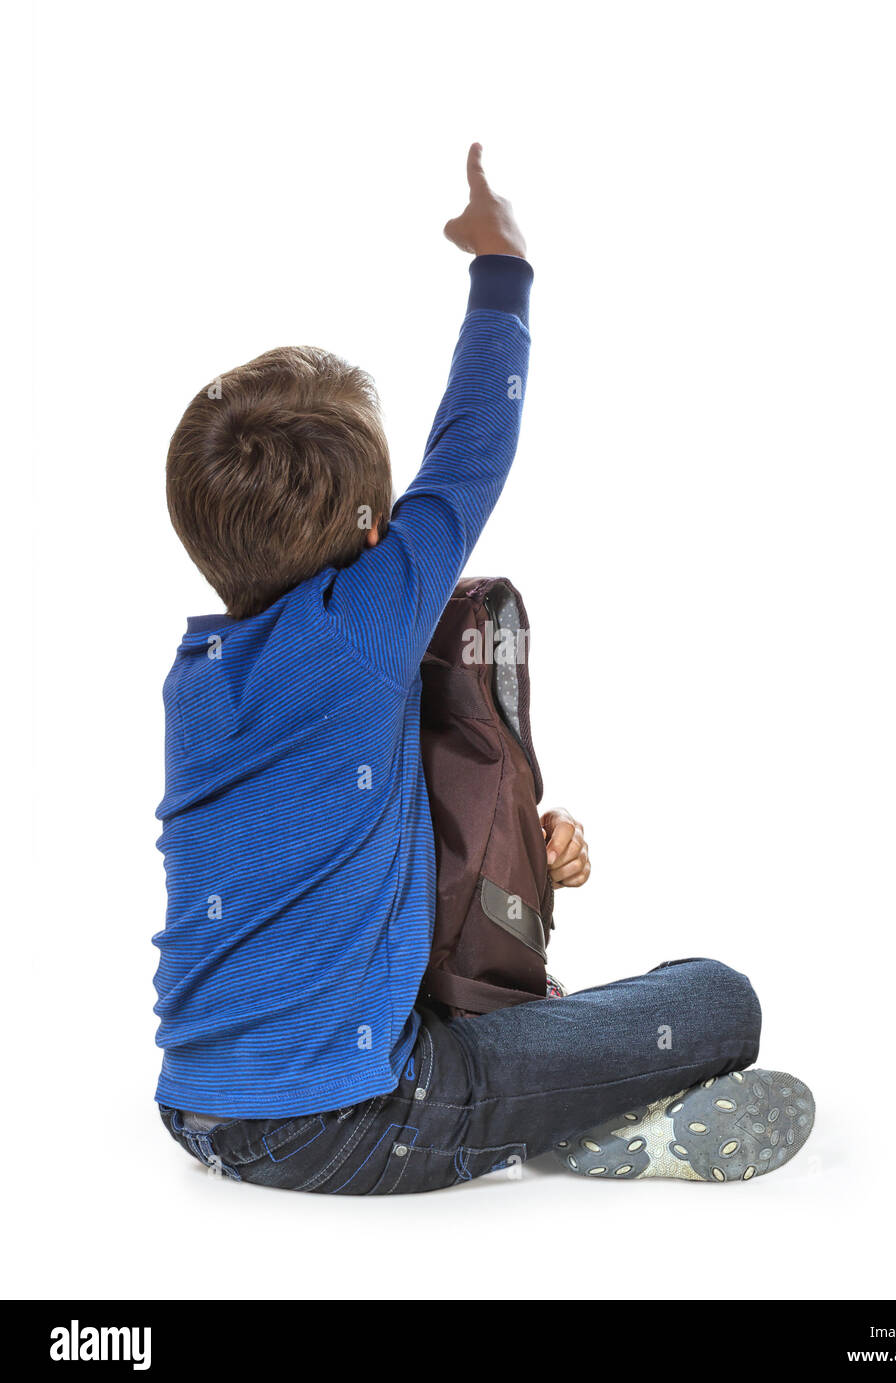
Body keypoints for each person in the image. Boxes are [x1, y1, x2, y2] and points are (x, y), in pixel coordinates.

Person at [154, 144, 814, 1194]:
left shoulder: (196, 680)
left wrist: (520, 860)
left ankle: (539, 1104)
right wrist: (501, 264)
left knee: (537, 1025)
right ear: (375, 537)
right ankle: (578, 1126)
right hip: (360, 1120)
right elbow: (472, 449)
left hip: (194, 1107)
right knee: (721, 1001)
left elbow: (331, 860)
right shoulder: (364, 625)